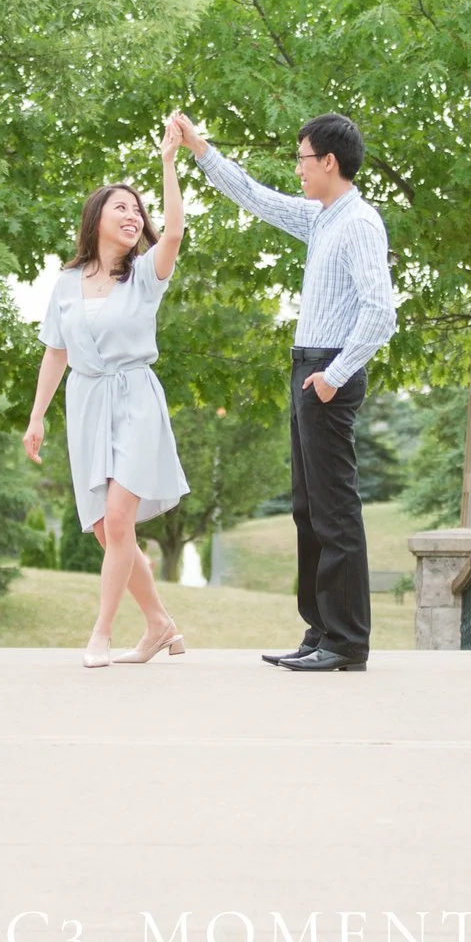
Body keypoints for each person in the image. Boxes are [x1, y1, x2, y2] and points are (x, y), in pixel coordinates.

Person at [170, 110, 394, 674]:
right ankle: (320, 631)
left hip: (327, 373)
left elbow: (380, 312)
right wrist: (200, 148)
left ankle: (347, 644)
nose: (296, 170)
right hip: (307, 370)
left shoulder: (359, 223)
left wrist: (333, 377)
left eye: (301, 158)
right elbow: (255, 197)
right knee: (307, 509)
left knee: (334, 510)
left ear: (328, 162)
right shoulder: (323, 219)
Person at [23, 118, 194, 667]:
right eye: (121, 207)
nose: (133, 216)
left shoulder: (145, 275)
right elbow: (56, 352)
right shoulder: (67, 285)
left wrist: (169, 160)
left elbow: (172, 232)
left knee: (119, 520)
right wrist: (36, 417)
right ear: (96, 217)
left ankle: (101, 632)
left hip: (137, 399)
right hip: (87, 404)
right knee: (104, 528)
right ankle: (160, 624)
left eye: (137, 210)